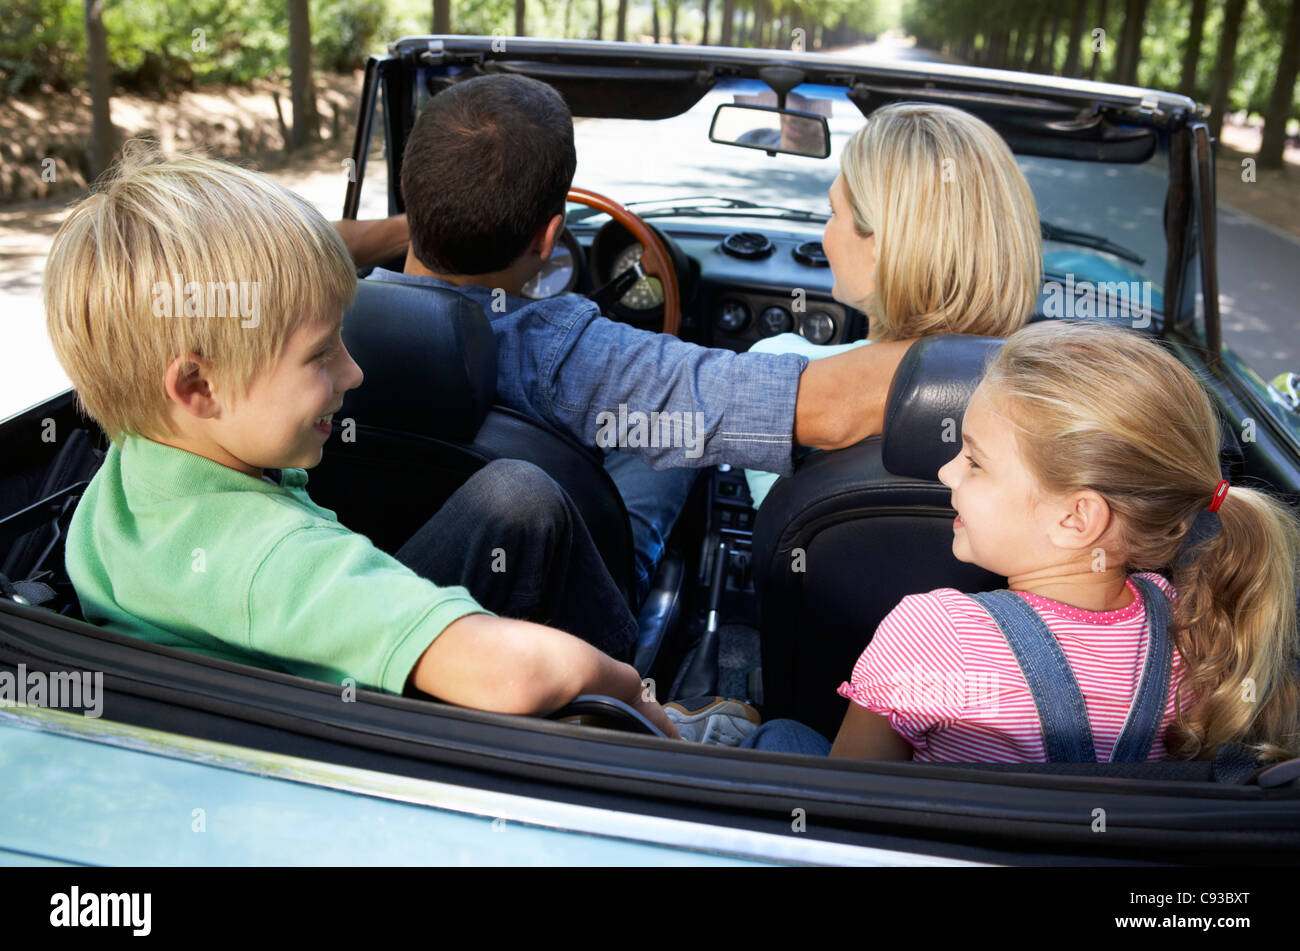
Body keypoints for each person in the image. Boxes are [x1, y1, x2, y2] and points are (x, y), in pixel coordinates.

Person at [43, 145, 680, 737]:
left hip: (291, 697)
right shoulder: (272, 558)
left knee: (518, 495)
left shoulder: (133, 460)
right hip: (386, 743)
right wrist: (632, 692)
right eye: (320, 355)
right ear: (198, 386)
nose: (354, 372)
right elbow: (516, 673)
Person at [361, 73, 915, 610]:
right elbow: (831, 407)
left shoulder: (324, 322)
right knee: (669, 446)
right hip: (558, 614)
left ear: (413, 195)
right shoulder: (578, 358)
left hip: (387, 586)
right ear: (551, 237)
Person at [744, 323, 1300, 765]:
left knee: (783, 735)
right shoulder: (1199, 628)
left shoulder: (931, 634)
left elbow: (846, 809)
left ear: (1076, 518)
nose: (945, 473)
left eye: (975, 461)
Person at [745, 101, 1042, 509]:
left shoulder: (784, 367)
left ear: (883, 248)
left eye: (834, 212)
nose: (824, 235)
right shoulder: (1052, 396)